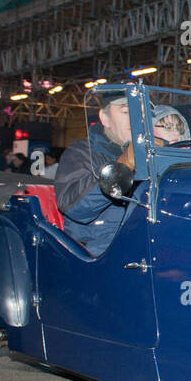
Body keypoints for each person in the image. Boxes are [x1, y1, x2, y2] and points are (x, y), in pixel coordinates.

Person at [55, 92, 137, 257]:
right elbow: (73, 207)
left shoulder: (151, 156)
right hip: (98, 254)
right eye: (126, 111)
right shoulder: (82, 153)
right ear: (105, 118)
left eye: (140, 113)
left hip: (139, 248)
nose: (135, 118)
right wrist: (122, 166)